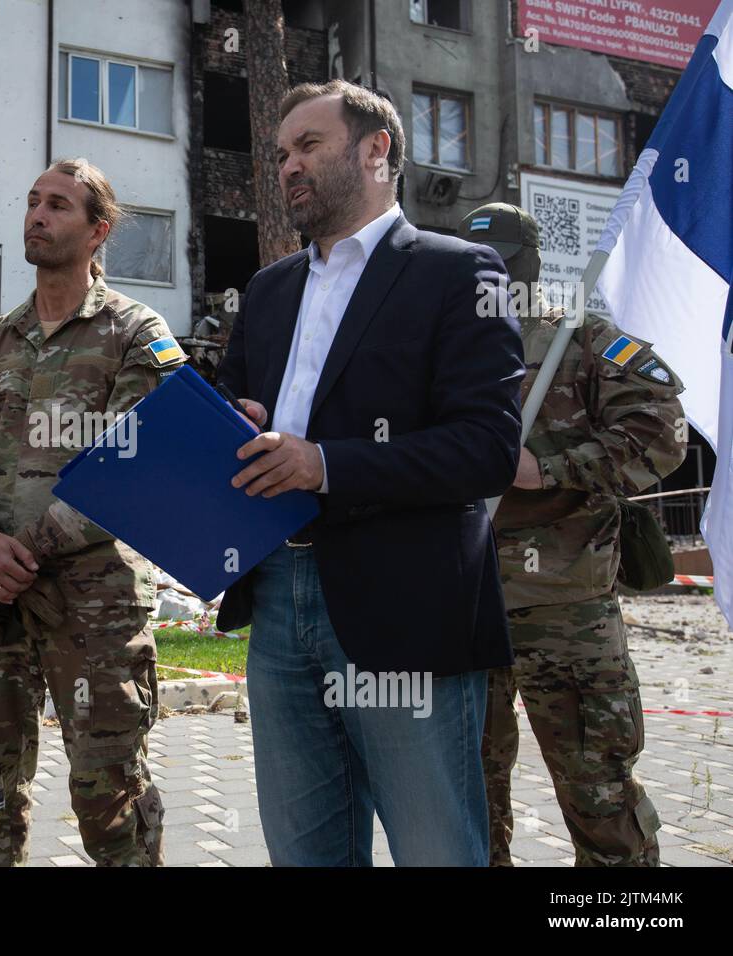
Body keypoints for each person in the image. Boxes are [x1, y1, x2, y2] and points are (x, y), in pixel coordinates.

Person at [215, 79, 525, 866]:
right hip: (277, 598)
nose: (288, 165)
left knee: (436, 849)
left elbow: (486, 447)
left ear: (375, 149)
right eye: (281, 152)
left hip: (406, 604)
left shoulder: (462, 273)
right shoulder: (269, 288)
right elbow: (241, 413)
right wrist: (239, 430)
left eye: (308, 146)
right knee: (305, 850)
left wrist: (324, 465)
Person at [0, 159, 183, 866]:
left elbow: (134, 469)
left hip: (94, 609)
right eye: (33, 202)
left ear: (97, 230)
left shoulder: (135, 333)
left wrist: (25, 550)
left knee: (109, 799)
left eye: (59, 206)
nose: (37, 216)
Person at [463, 202, 686, 867]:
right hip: (463, 606)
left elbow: (661, 433)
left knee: (598, 792)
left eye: (498, 268)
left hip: (565, 610)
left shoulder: (581, 340)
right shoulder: (441, 351)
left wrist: (548, 470)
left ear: (526, 267)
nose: (486, 283)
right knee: (467, 794)